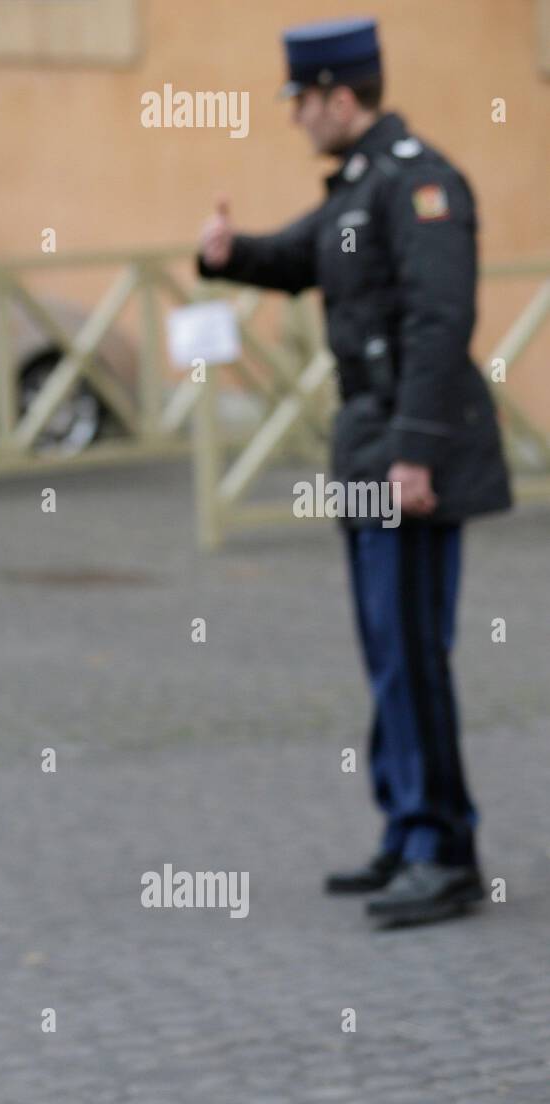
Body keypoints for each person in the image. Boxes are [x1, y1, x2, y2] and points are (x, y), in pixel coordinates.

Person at [196, 17, 511, 927]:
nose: (295, 118)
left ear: (341, 95)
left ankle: (444, 848)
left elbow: (439, 321)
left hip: (410, 456)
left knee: (413, 654)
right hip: (371, 454)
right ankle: (406, 830)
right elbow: (301, 255)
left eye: (301, 102)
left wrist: (415, 449)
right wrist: (230, 255)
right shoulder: (362, 186)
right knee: (389, 654)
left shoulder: (418, 182)